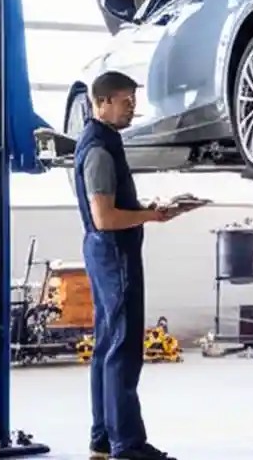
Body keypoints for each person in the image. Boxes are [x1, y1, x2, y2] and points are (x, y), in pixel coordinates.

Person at [74, 70, 193, 460]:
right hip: (114, 254)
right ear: (103, 102)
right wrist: (152, 217)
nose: (132, 108)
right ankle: (128, 445)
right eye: (126, 101)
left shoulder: (103, 143)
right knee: (123, 351)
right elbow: (105, 218)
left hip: (106, 252)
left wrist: (147, 209)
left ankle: (103, 440)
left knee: (108, 346)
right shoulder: (99, 151)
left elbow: (111, 212)